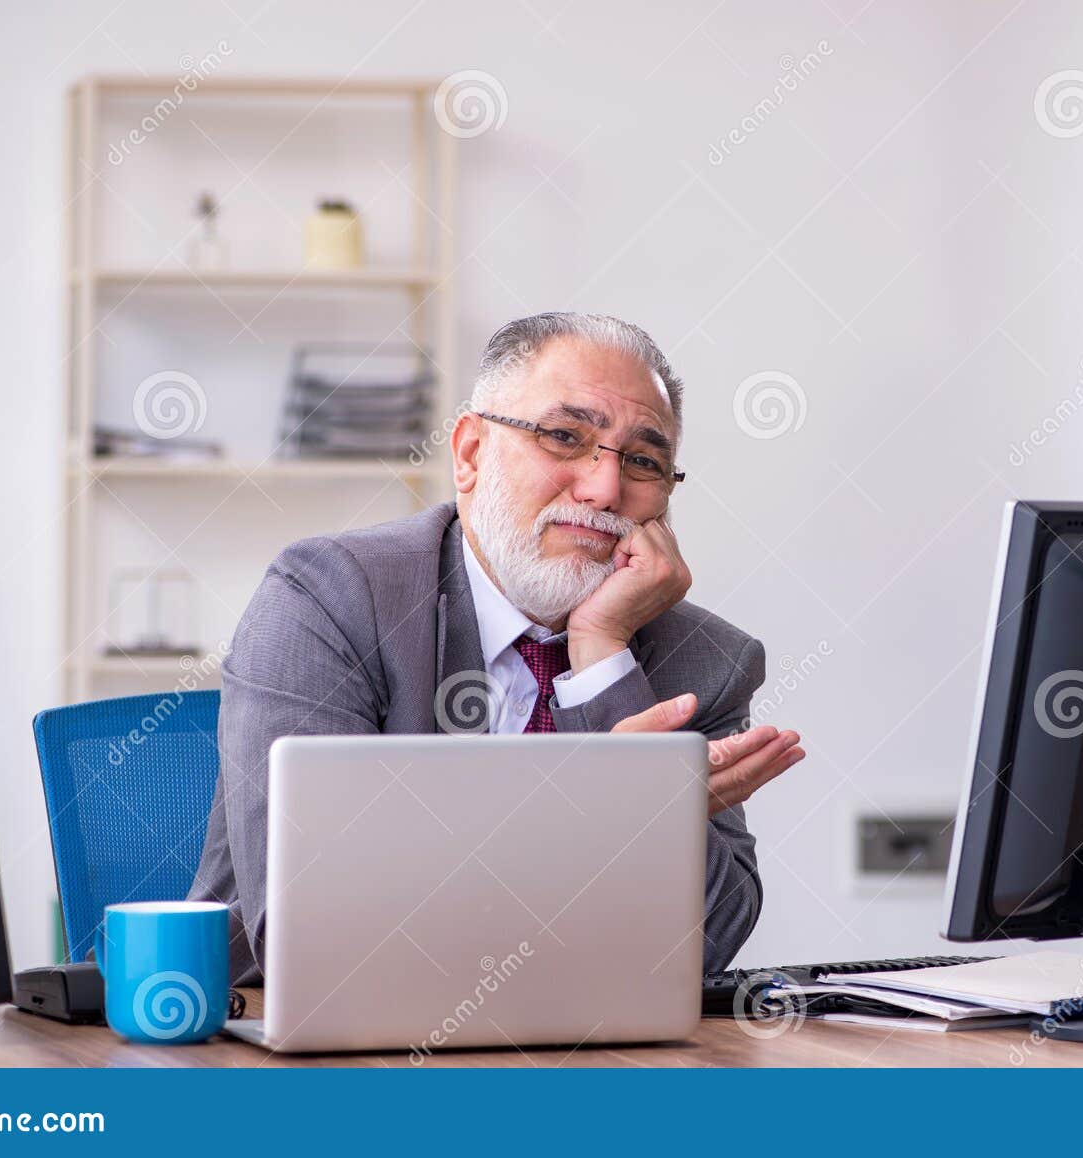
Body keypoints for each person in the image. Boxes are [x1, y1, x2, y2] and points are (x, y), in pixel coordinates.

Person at [190, 312, 807, 983]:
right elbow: (308, 925)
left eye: (643, 460)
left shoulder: (708, 664)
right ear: (470, 455)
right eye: (566, 437)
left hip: (579, 1054)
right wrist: (603, 812)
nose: (604, 488)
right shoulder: (332, 598)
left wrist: (602, 658)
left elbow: (698, 950)